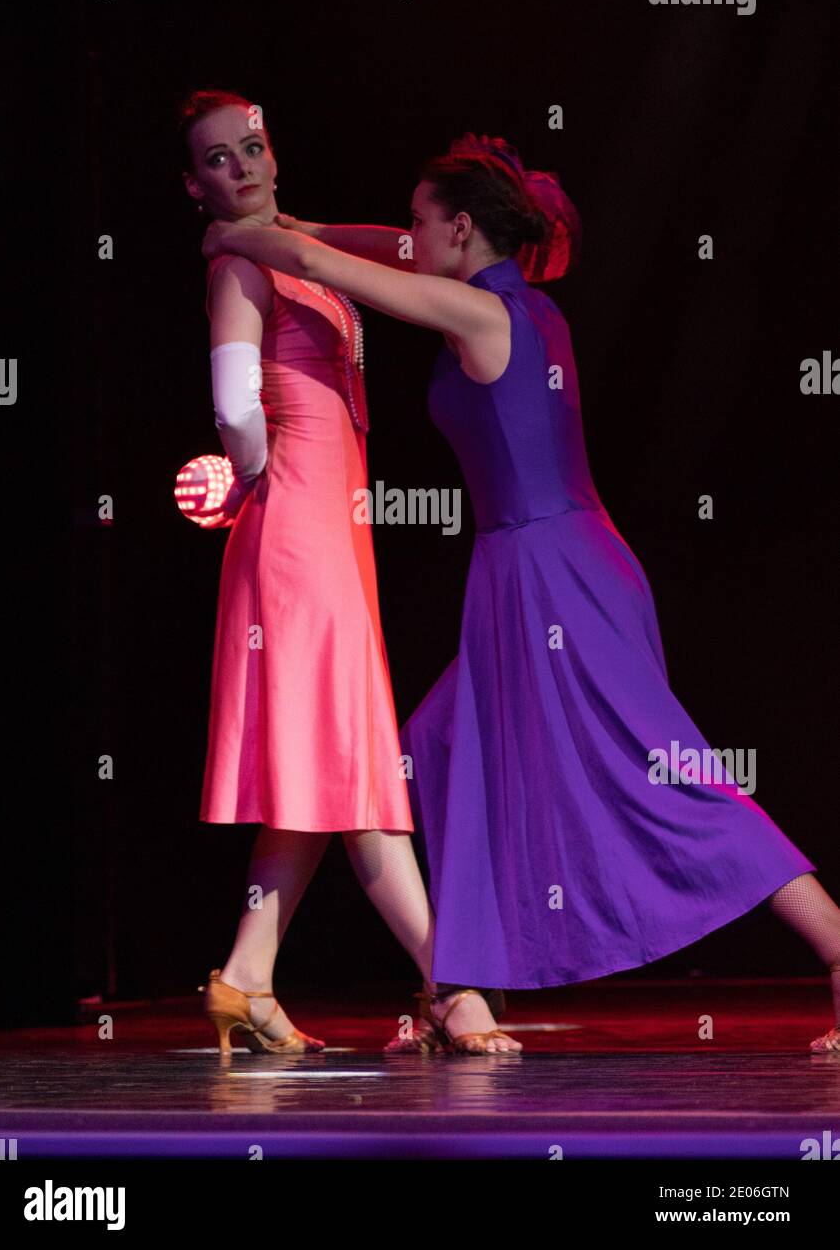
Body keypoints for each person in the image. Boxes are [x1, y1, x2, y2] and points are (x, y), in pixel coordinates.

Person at [201, 131, 840, 1053]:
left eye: (421, 222)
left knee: (672, 779)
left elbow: (313, 260)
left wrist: (232, 236)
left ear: (460, 229)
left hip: (557, 578)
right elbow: (347, 242)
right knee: (431, 745)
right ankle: (450, 987)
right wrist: (276, 218)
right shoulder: (513, 304)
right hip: (532, 573)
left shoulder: (484, 317)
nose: (405, 235)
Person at [181, 93, 519, 1057]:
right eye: (216, 161)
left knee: (321, 768)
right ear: (193, 184)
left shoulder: (278, 244)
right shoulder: (240, 265)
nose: (240, 167)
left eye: (253, 147)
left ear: (274, 155)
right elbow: (235, 406)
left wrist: (289, 224)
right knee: (355, 768)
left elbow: (403, 250)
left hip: (333, 529)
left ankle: (246, 977)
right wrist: (254, 478)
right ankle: (451, 985)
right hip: (297, 529)